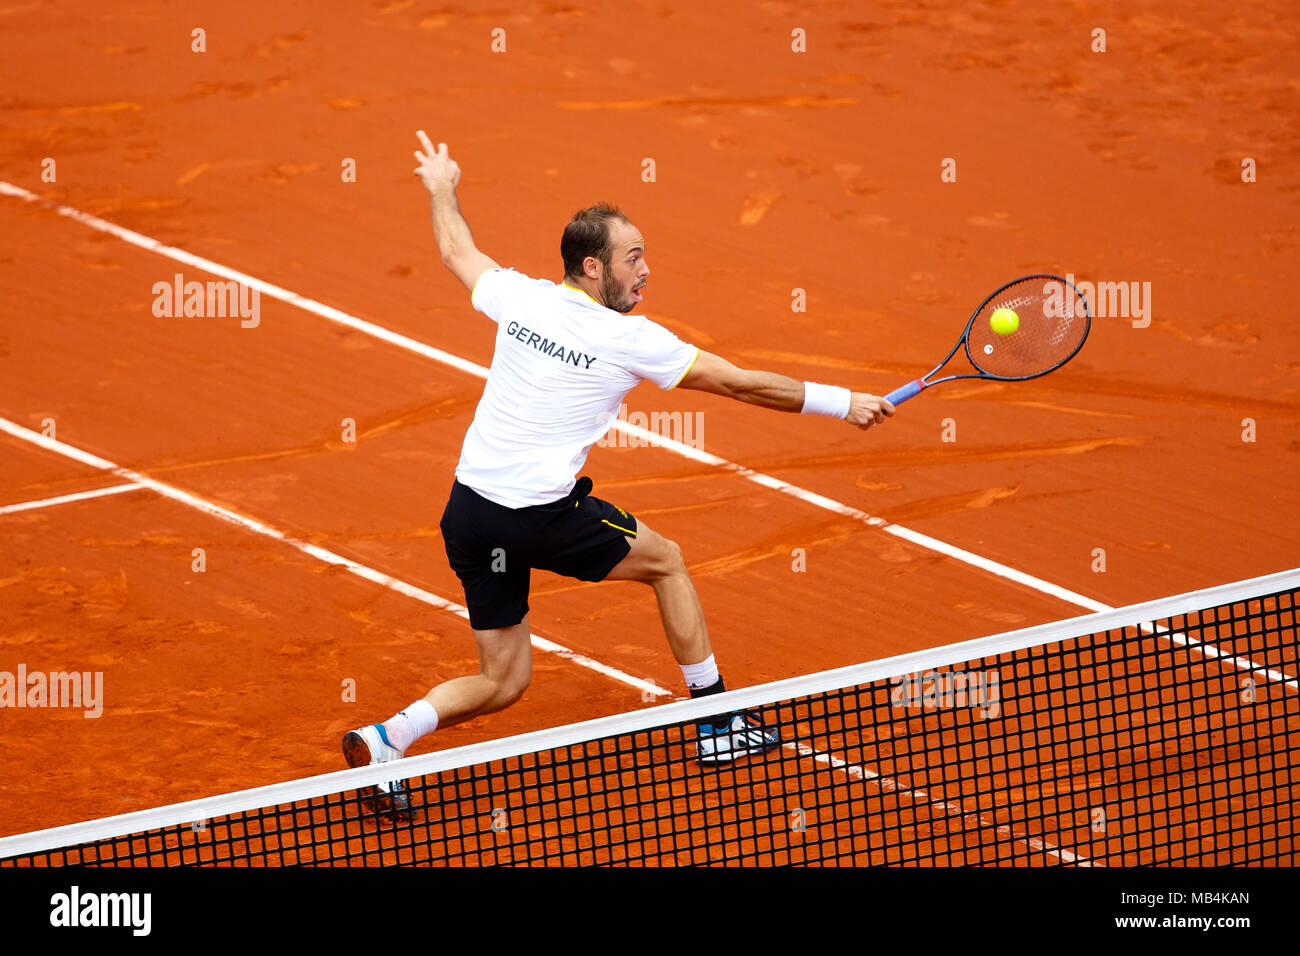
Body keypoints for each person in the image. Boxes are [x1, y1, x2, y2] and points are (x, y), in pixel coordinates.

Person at [343, 131, 894, 817]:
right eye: (633, 259)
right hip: (540, 517)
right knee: (667, 563)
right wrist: (844, 403)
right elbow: (743, 385)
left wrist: (442, 186)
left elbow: (456, 248)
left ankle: (389, 737)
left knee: (506, 678)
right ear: (592, 267)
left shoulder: (521, 298)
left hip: (470, 513)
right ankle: (718, 723)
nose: (645, 271)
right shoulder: (635, 341)